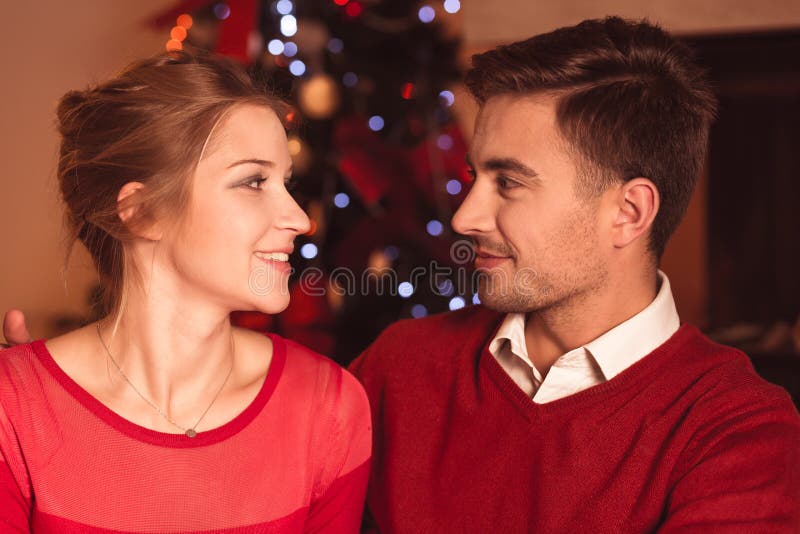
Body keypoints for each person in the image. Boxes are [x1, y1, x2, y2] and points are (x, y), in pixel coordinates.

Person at [347, 17, 800, 532]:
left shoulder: (736, 429)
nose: (464, 217)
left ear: (628, 212)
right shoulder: (398, 365)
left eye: (509, 182)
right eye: (476, 176)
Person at [0, 51, 370, 532]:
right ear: (142, 211)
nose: (299, 219)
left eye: (285, 182)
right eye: (254, 181)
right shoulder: (15, 409)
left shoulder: (328, 406)